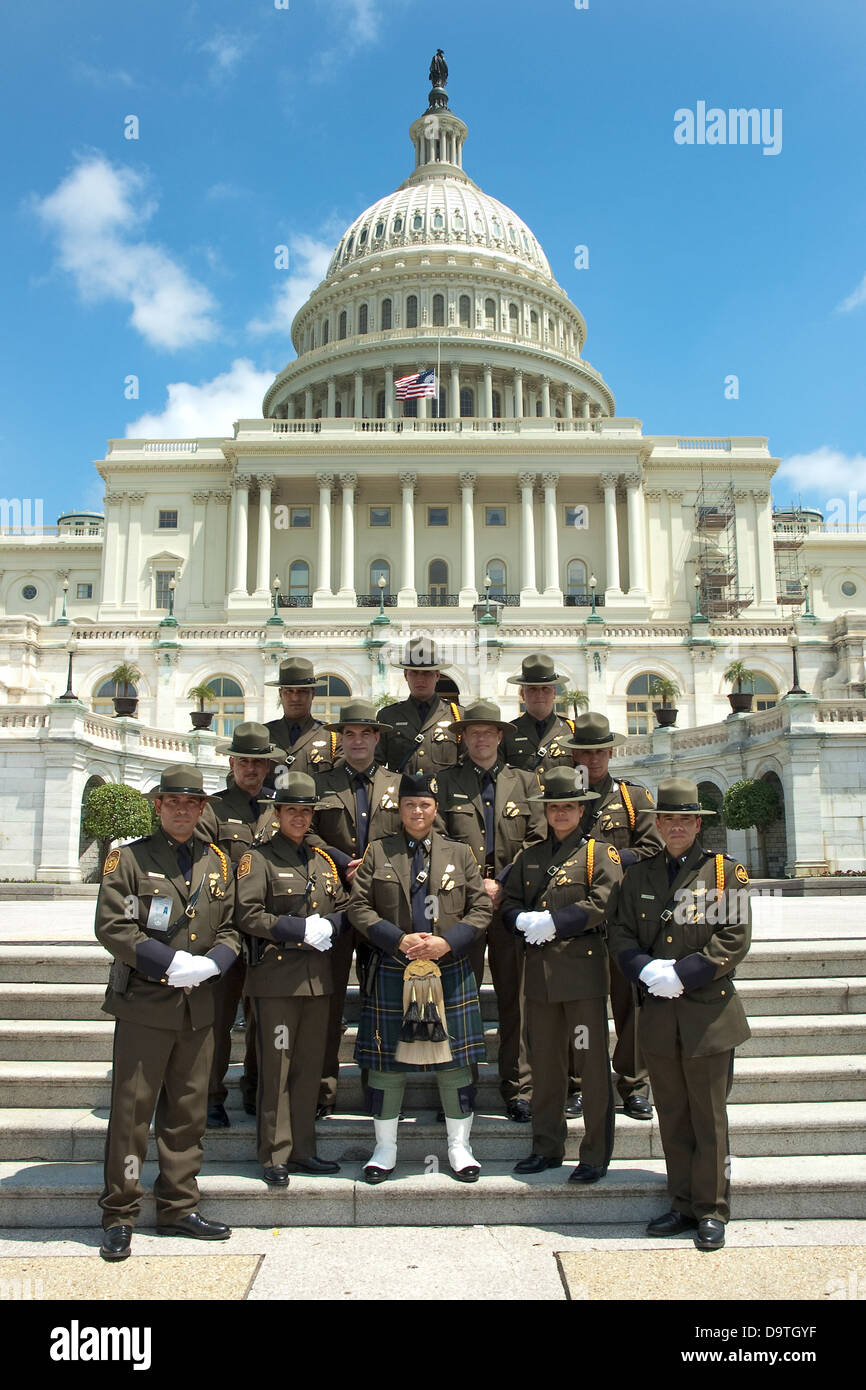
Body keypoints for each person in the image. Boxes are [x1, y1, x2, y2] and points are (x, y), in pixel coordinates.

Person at [94, 765, 239, 1261]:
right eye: (173, 802)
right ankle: (121, 1211)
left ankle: (178, 1205)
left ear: (203, 809)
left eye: (192, 803)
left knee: (187, 1112)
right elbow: (113, 926)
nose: (183, 809)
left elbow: (233, 928)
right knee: (133, 1113)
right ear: (157, 805)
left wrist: (210, 965)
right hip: (145, 1003)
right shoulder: (128, 858)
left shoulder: (216, 861)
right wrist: (168, 961)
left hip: (198, 1005)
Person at [607, 778, 752, 1251]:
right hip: (658, 1016)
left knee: (708, 1118)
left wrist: (684, 974)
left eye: (684, 819)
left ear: (697, 824)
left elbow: (732, 939)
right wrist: (646, 969)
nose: (675, 827)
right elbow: (621, 934)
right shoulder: (638, 875)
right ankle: (681, 1201)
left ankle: (711, 1209)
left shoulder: (725, 874)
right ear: (658, 823)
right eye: (667, 819)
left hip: (707, 1015)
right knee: (671, 1114)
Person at [347, 773, 492, 1184]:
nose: (417, 811)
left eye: (425, 805)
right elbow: (358, 907)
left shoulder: (460, 853)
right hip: (395, 965)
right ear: (399, 809)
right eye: (410, 805)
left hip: (447, 967)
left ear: (435, 810)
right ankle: (385, 1148)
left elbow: (480, 910)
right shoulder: (378, 852)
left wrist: (448, 943)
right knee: (388, 1061)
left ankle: (459, 1147)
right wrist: (398, 940)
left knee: (454, 1060)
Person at [501, 766, 622, 1184]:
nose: (561, 815)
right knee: (546, 1065)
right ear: (546, 812)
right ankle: (546, 1146)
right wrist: (520, 921)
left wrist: (553, 922)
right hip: (539, 977)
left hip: (582, 976)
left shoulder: (598, 854)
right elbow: (510, 901)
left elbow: (604, 902)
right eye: (554, 808)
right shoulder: (530, 857)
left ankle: (594, 1153)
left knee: (589, 1066)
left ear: (581, 810)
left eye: (568, 807)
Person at [234, 773, 348, 1187]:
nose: (299, 818)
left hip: (317, 981)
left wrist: (330, 924)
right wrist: (296, 929)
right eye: (291, 811)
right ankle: (274, 1154)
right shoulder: (258, 859)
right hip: (277, 981)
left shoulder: (322, 861)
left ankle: (303, 1149)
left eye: (306, 811)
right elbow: (246, 914)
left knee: (307, 1068)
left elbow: (346, 904)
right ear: (277, 813)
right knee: (276, 1068)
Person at [437, 700, 546, 1122]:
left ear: (500, 737)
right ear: (462, 738)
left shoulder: (526, 781)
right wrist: (474, 883)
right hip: (460, 907)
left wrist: (501, 883)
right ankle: (458, 1087)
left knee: (513, 1000)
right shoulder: (445, 782)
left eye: (488, 732)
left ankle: (518, 1088)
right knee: (457, 998)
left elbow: (536, 838)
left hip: (509, 906)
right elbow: (439, 837)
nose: (480, 738)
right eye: (472, 732)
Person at [562, 712, 664, 1122]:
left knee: (629, 1006)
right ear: (574, 756)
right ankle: (581, 1084)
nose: (594, 759)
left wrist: (610, 857)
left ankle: (634, 1085)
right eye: (585, 752)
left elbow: (654, 850)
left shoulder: (632, 797)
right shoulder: (562, 795)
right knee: (580, 1010)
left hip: (622, 919)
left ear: (610, 752)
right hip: (573, 920)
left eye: (601, 751)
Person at [309, 699, 406, 1116]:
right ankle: (321, 1092)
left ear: (377, 738)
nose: (358, 740)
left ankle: (379, 1091)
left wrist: (374, 866)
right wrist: (338, 858)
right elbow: (301, 831)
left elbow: (416, 834)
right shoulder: (319, 784)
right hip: (331, 900)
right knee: (327, 1001)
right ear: (340, 739)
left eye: (366, 733)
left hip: (382, 906)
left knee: (381, 1000)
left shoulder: (400, 785)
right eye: (350, 733)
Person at [198, 722, 286, 1128]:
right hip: (226, 931)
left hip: (268, 932)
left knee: (262, 1017)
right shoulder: (212, 810)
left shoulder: (280, 809)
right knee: (218, 1018)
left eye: (259, 762)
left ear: (269, 767)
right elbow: (201, 868)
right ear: (232, 763)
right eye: (244, 761)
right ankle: (211, 1096)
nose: (252, 769)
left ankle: (255, 1089)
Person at [375, 638, 463, 776]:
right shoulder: (388, 716)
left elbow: (466, 765)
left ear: (437, 675)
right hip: (402, 795)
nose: (420, 679)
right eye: (414, 673)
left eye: (427, 673)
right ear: (405, 675)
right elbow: (376, 765)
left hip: (443, 795)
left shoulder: (457, 716)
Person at [264, 657, 341, 778]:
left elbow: (341, 779)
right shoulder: (264, 735)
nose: (295, 698)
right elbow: (240, 775)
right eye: (289, 691)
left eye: (302, 691)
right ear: (280, 694)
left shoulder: (331, 736)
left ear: (313, 694)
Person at [501, 654, 576, 775]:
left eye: (545, 688)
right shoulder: (508, 733)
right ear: (522, 694)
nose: (539, 694)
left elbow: (583, 777)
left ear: (554, 693)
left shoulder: (571, 731)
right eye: (532, 689)